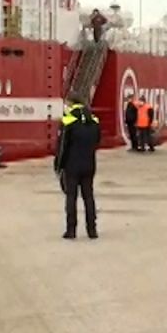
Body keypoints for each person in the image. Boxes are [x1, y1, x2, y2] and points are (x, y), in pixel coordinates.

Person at [53, 95, 101, 240]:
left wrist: (58, 165)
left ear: (71, 104)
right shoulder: (94, 120)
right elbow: (97, 141)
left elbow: (62, 147)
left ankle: (71, 230)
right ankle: (92, 230)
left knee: (71, 197)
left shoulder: (68, 121)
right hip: (89, 164)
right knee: (89, 196)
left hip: (72, 165)